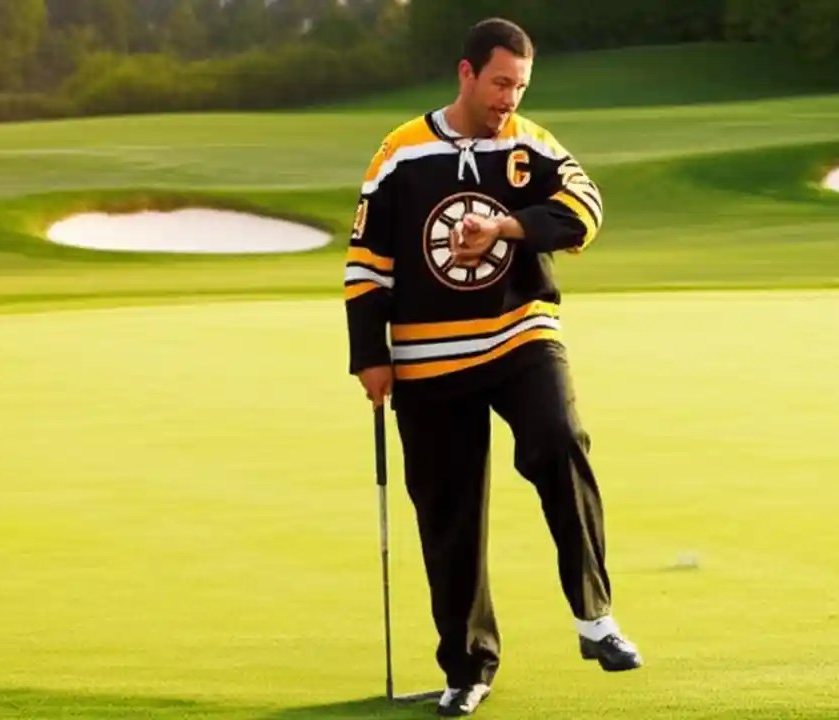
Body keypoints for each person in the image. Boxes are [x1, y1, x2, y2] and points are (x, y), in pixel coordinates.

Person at [343, 17, 641, 717]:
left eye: (521, 86)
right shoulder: (399, 154)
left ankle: (595, 618)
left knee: (559, 441)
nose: (510, 98)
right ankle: (468, 668)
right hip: (425, 355)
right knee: (449, 515)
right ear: (467, 73)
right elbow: (365, 264)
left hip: (519, 335)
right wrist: (369, 357)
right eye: (501, 83)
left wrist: (508, 226)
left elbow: (585, 209)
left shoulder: (530, 145)